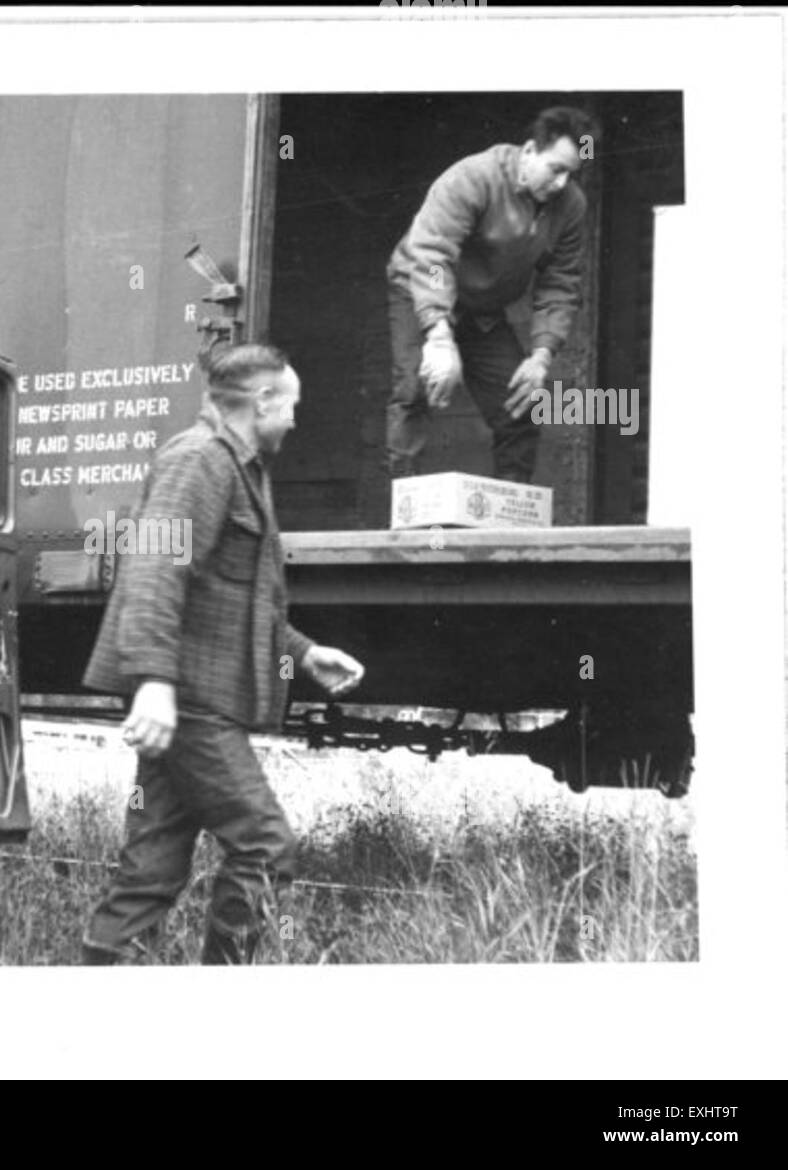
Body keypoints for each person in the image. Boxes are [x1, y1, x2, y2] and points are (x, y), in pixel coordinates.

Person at [80, 343, 365, 965]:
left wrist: (305, 652)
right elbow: (156, 569)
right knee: (266, 847)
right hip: (192, 699)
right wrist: (154, 682)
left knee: (150, 870)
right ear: (262, 401)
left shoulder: (239, 466)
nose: (295, 419)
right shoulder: (197, 462)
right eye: (291, 405)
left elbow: (234, 598)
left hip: (191, 700)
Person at [385, 106, 599, 484]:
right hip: (422, 289)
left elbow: (561, 283)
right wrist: (436, 332)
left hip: (482, 311)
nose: (563, 183)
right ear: (530, 151)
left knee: (523, 403)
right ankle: (402, 511)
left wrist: (541, 356)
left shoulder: (571, 207)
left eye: (572, 173)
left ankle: (510, 522)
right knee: (414, 389)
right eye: (556, 169)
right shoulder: (472, 177)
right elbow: (433, 255)